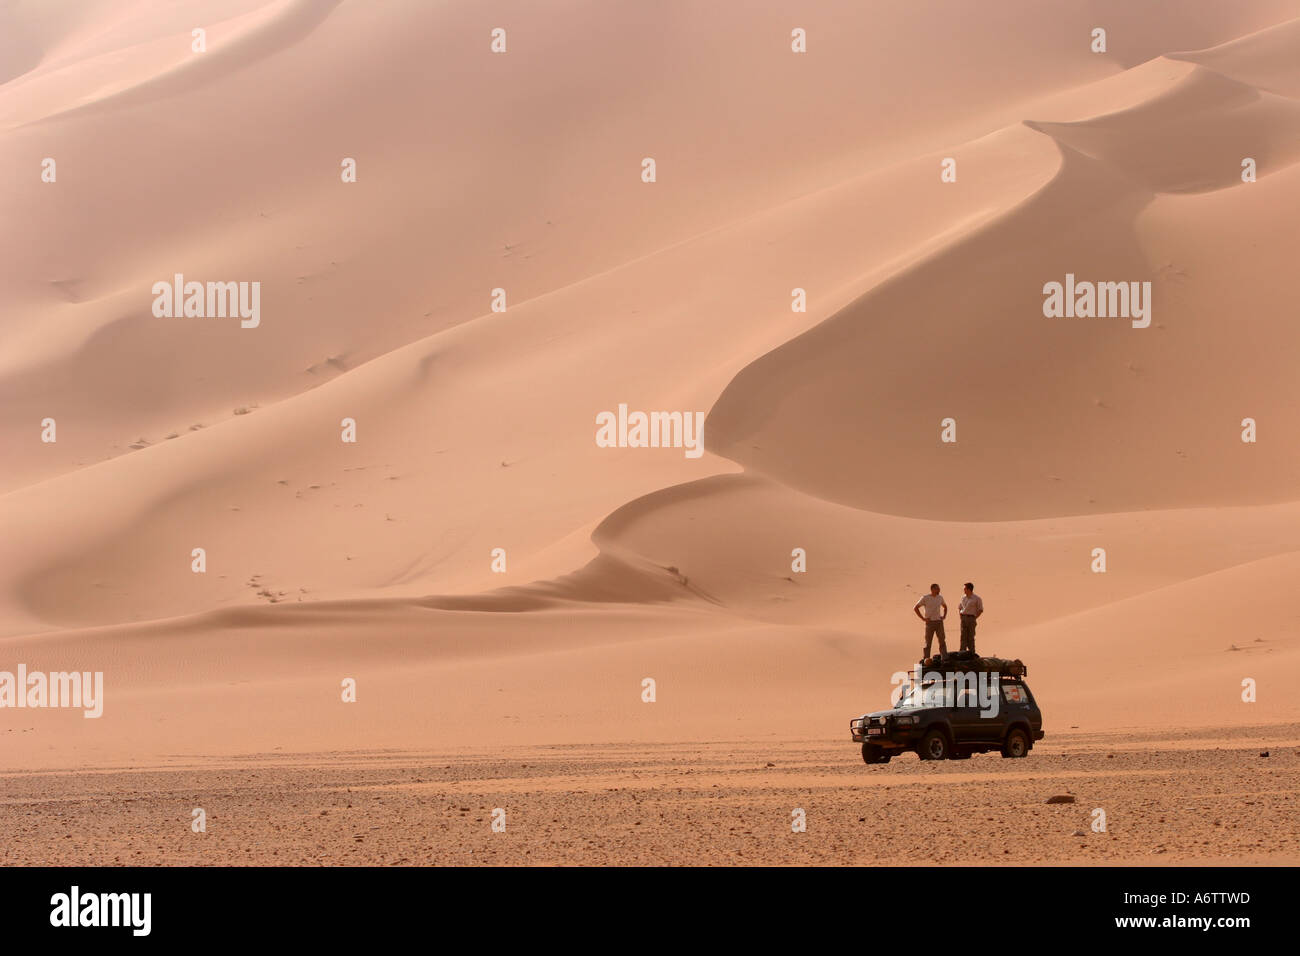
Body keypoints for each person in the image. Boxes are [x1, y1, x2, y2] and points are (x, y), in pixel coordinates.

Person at [913, 584, 947, 660]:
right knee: (928, 642)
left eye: (939, 589)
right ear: (932, 589)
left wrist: (944, 616)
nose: (939, 590)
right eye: (937, 589)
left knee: (942, 641)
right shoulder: (925, 598)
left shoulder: (940, 598)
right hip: (930, 623)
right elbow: (915, 608)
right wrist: (923, 618)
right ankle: (926, 659)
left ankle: (944, 658)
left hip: (939, 622)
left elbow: (945, 607)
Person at [958, 582, 983, 654]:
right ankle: (962, 653)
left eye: (965, 589)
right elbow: (959, 607)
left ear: (969, 589)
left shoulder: (977, 598)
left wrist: (974, 618)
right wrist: (961, 616)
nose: (964, 590)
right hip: (963, 618)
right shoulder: (963, 597)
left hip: (971, 618)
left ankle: (972, 653)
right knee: (963, 637)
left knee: (970, 637)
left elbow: (980, 609)